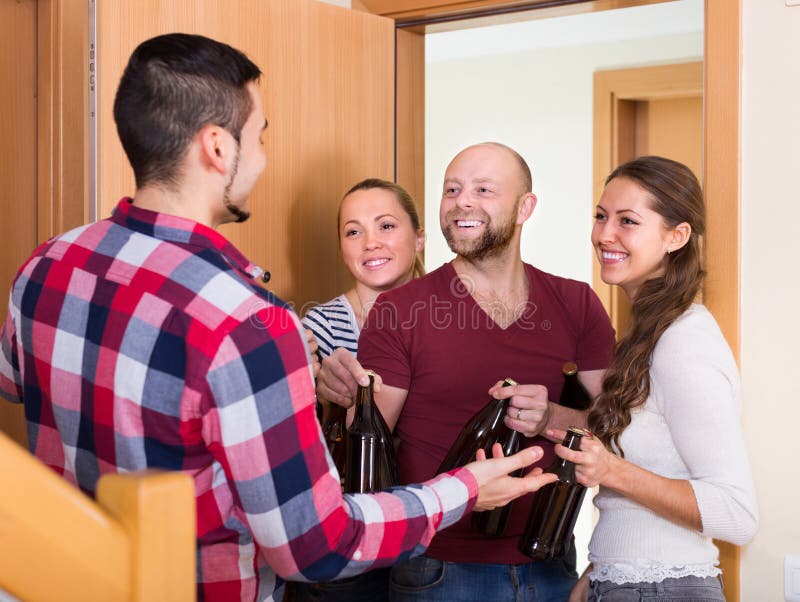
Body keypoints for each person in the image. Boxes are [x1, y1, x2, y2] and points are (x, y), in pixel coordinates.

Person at [0, 35, 559, 602]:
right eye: (259, 135)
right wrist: (462, 491)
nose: (263, 157)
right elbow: (315, 546)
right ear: (218, 148)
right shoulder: (249, 321)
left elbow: (15, 386)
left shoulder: (47, 265)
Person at [317, 142, 616, 601]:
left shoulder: (577, 304)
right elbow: (369, 447)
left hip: (552, 562)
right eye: (452, 189)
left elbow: (619, 429)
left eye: (483, 189)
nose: (463, 201)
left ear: (525, 207)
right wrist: (342, 395)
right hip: (438, 570)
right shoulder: (399, 310)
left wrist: (553, 418)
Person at [552, 156, 758, 602]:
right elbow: (656, 462)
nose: (605, 234)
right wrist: (600, 569)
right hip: (632, 585)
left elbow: (736, 513)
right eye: (601, 216)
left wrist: (611, 470)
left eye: (628, 221)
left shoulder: (685, 341)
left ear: (676, 236)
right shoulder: (645, 335)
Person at [294, 179, 425, 601]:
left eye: (386, 226)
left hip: (432, 531)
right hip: (351, 536)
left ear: (419, 238)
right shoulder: (319, 327)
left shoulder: (451, 316)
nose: (371, 243)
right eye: (354, 231)